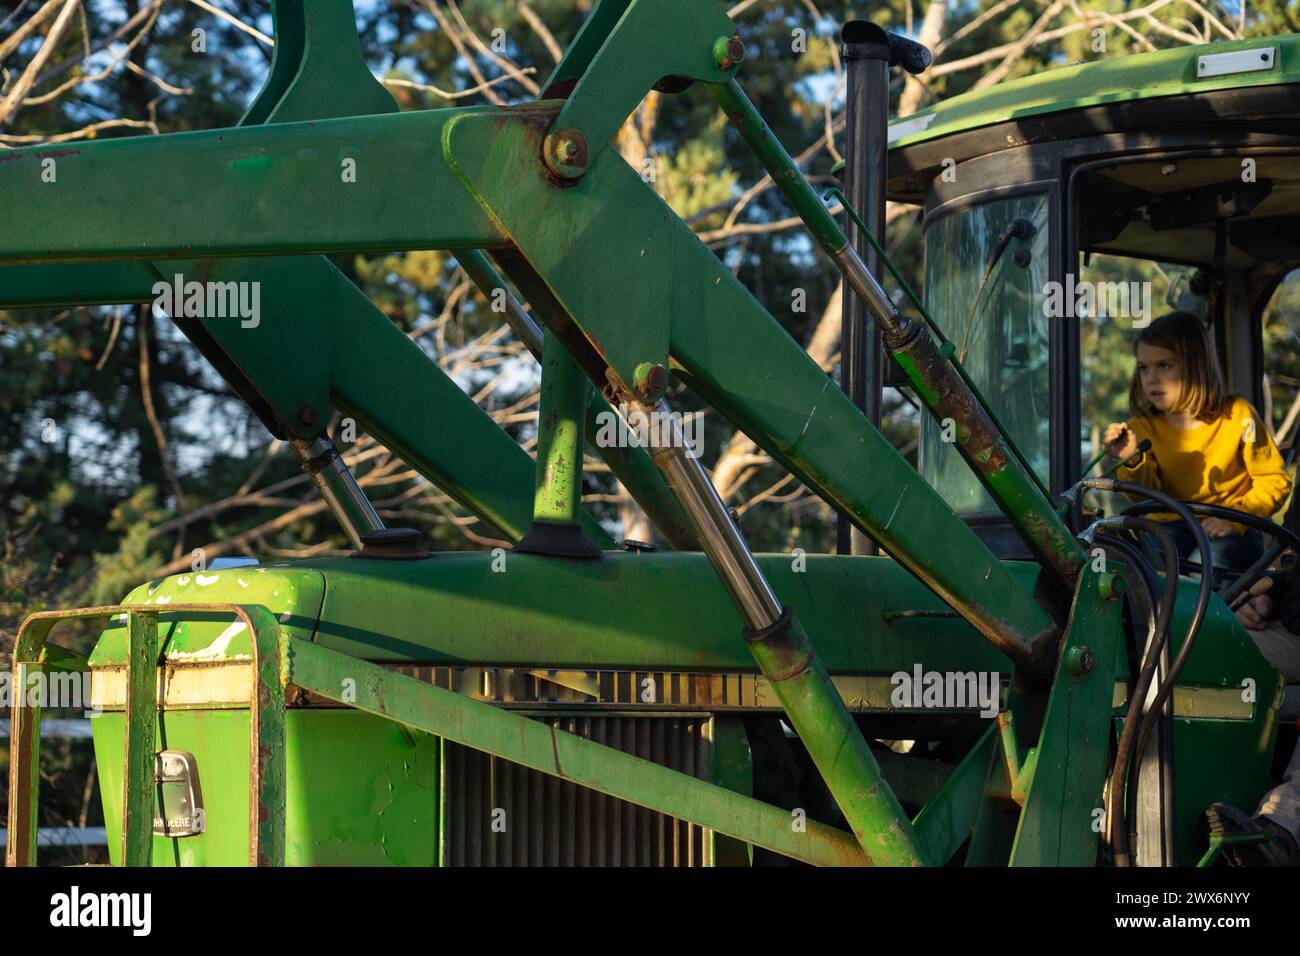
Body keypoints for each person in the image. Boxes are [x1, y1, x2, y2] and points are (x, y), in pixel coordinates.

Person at [1103, 311, 1292, 581]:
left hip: (1232, 527)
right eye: (1144, 368)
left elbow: (1274, 480)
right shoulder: (1142, 427)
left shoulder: (1238, 416)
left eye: (1164, 365)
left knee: (1203, 566)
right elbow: (1144, 496)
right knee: (1144, 564)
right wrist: (1131, 459)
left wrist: (1235, 519)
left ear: (1195, 365)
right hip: (1167, 528)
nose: (1151, 378)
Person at [1201, 578, 1300, 866]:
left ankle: (1278, 833)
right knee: (1191, 647)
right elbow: (1289, 563)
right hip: (1287, 624)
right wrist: (1267, 595)